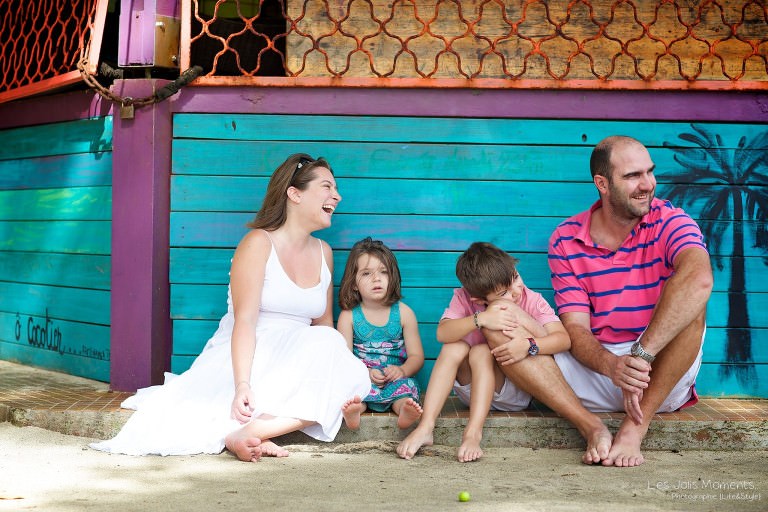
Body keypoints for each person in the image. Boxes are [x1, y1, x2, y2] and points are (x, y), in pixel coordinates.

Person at [91, 153, 371, 461]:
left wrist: (336, 371)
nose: (337, 196)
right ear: (294, 193)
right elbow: (245, 321)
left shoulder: (324, 252)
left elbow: (323, 326)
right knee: (334, 357)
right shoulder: (258, 243)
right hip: (248, 354)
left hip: (295, 355)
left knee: (353, 372)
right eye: (327, 186)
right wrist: (242, 385)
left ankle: (251, 432)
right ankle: (254, 425)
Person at [549, 135, 713, 467]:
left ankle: (635, 427)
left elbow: (699, 278)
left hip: (657, 371)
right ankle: (592, 426)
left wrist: (639, 358)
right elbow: (576, 331)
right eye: (633, 176)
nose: (648, 184)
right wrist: (614, 366)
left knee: (693, 303)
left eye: (649, 172)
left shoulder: (671, 221)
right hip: (599, 366)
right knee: (513, 327)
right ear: (602, 183)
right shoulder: (565, 238)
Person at [398, 242, 575, 462]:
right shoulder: (464, 298)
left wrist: (529, 344)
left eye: (516, 278)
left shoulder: (532, 299)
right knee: (455, 345)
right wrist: (480, 319)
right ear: (479, 300)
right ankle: (426, 427)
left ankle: (472, 434)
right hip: (472, 390)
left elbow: (563, 339)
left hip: (512, 390)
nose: (516, 291)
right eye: (504, 293)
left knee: (481, 351)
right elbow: (442, 333)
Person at [336, 237, 425, 430]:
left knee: (408, 389)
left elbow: (417, 356)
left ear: (392, 277)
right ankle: (355, 411)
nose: (377, 278)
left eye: (383, 272)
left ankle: (404, 411)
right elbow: (344, 358)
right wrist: (365, 373)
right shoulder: (349, 316)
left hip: (395, 381)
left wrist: (402, 371)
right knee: (352, 391)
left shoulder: (404, 313)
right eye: (366, 273)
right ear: (353, 284)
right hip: (363, 380)